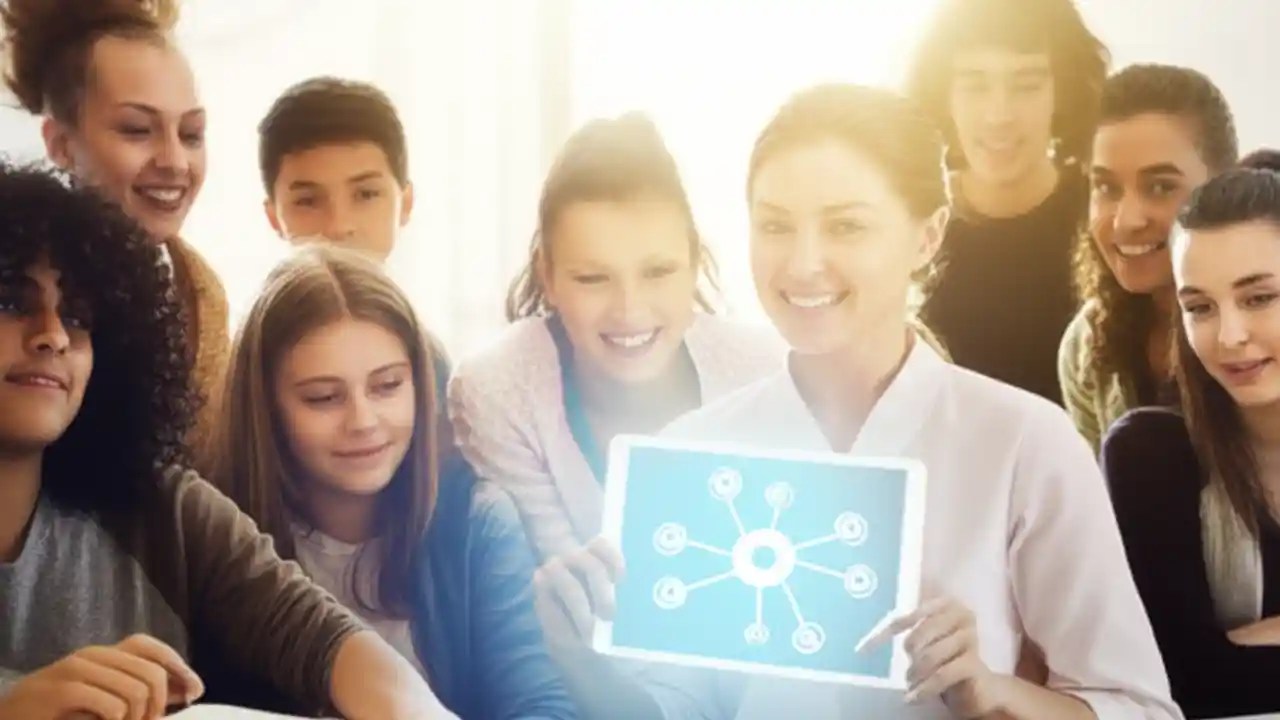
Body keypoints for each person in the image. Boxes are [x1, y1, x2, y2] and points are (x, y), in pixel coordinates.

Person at [535, 84, 1181, 720]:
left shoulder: (1023, 442)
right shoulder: (694, 452)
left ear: (927, 236)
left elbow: (1140, 709)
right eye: (775, 225)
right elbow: (677, 711)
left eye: (846, 226)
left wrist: (992, 692)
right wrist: (586, 665)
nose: (803, 263)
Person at [0, 161, 452, 720]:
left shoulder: (164, 508)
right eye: (11, 303)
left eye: (77, 316)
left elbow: (322, 639)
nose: (52, 336)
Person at [212, 243, 576, 720]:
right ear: (266, 409)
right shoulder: (215, 534)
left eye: (387, 386)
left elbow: (540, 706)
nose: (363, 421)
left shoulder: (476, 520)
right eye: (323, 397)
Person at [448, 112, 785, 560]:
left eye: (658, 272)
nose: (629, 310)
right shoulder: (497, 388)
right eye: (592, 278)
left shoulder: (765, 371)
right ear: (548, 277)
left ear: (694, 263)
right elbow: (557, 578)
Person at [1, 0, 230, 458]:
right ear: (61, 144)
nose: (175, 162)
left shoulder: (200, 290)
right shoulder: (15, 270)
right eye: (137, 129)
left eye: (191, 134)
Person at [1103, 151, 1280, 718]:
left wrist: (1238, 649)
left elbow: (1218, 670)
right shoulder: (1150, 455)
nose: (1229, 336)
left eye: (1259, 298)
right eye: (1200, 307)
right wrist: (1211, 663)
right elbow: (1180, 681)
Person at [907, 0, 1108, 405]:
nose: (999, 115)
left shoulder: (1107, 217)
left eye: (1026, 85)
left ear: (1062, 92)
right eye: (975, 85)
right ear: (944, 95)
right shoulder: (905, 223)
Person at [1059, 64, 1238, 451]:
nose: (1126, 220)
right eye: (1105, 187)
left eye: (1160, 187)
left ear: (1225, 186)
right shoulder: (1086, 346)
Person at [257, 75, 452, 411]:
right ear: (274, 217)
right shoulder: (251, 358)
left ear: (405, 203)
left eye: (366, 195)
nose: (339, 226)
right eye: (308, 201)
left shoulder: (429, 360)